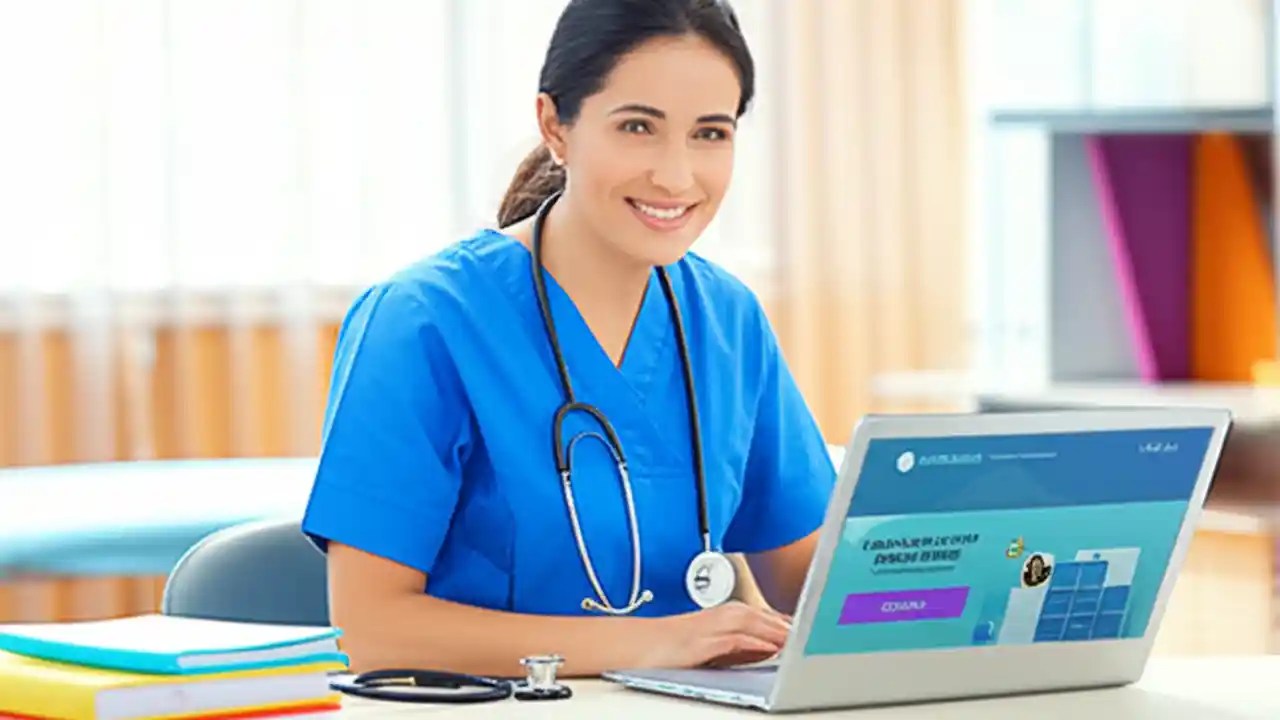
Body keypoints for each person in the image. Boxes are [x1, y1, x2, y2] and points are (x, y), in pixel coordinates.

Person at [301, 0, 836, 679]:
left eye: (710, 134)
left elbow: (806, 580)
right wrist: (652, 644)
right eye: (638, 127)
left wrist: (951, 573)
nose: (676, 175)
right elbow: (370, 630)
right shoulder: (423, 321)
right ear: (556, 125)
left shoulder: (728, 320)